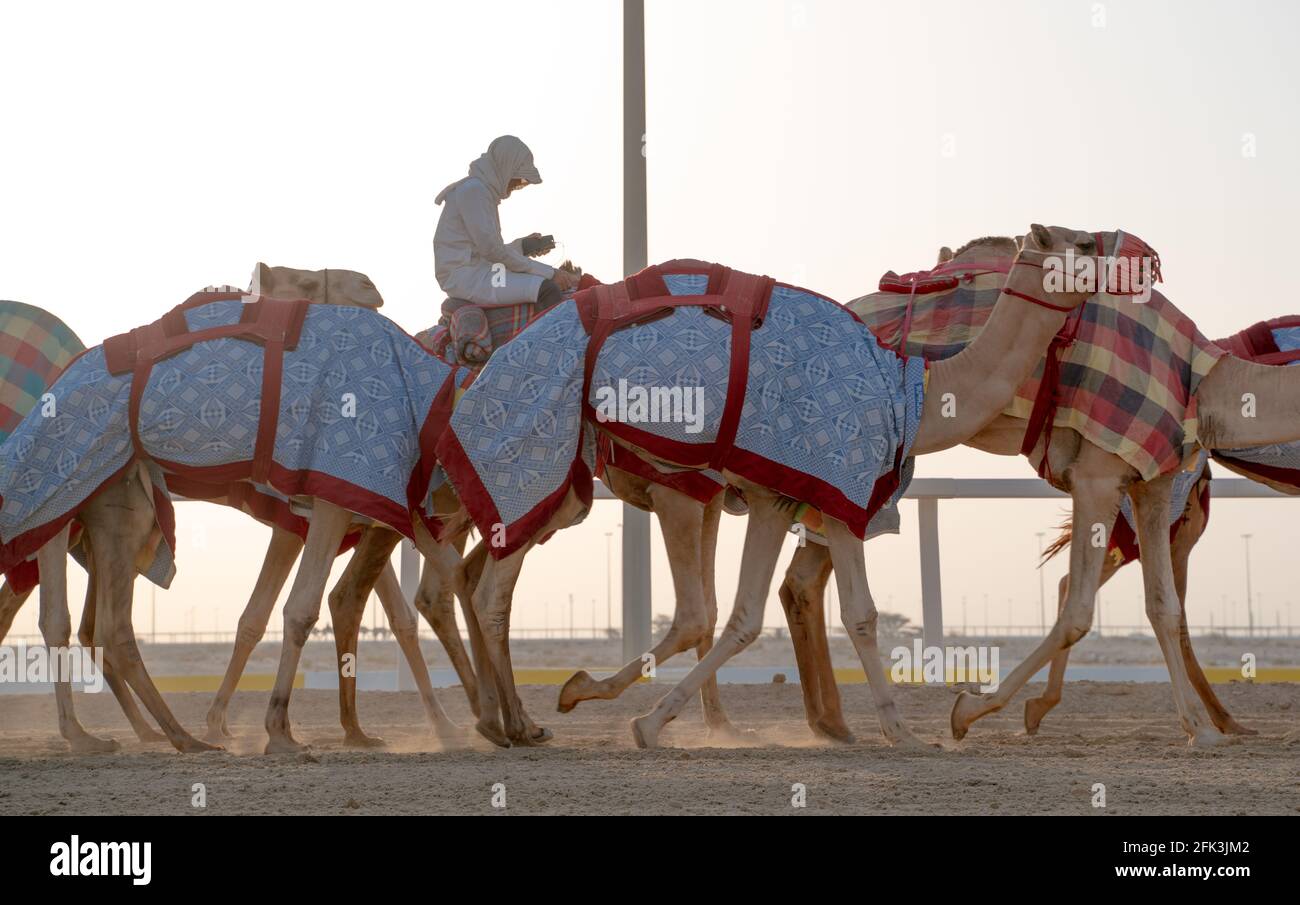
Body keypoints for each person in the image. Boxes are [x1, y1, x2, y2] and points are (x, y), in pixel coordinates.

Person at [433, 135, 578, 310]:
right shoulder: (474, 191)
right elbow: (492, 251)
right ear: (506, 168)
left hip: (479, 272)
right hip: (468, 278)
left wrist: (523, 246)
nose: (518, 185)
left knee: (538, 283)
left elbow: (488, 251)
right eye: (520, 179)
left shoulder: (481, 192)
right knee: (546, 289)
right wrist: (551, 273)